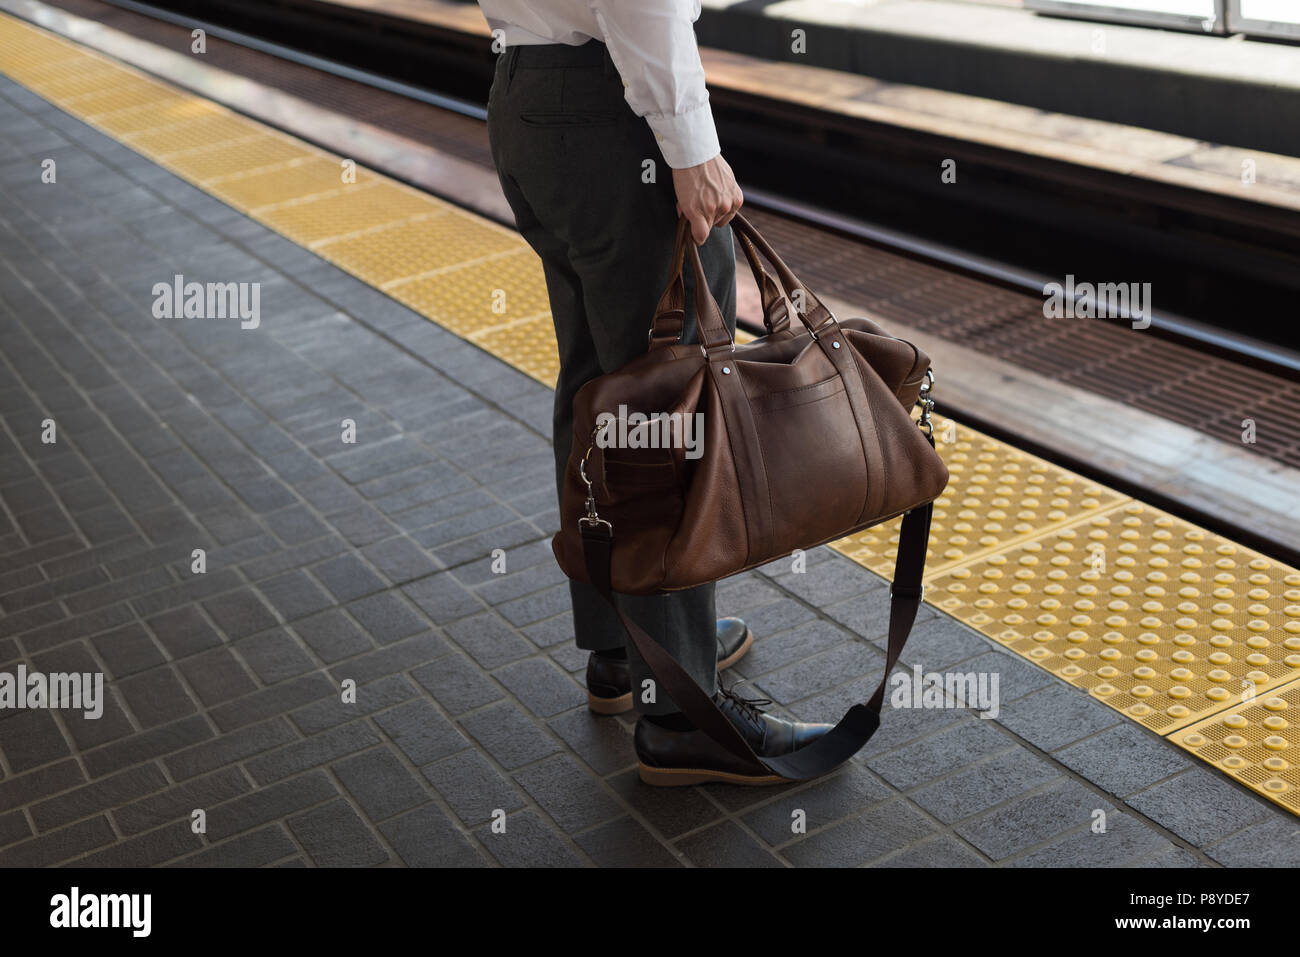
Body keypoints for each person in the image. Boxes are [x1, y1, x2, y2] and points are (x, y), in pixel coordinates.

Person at [479, 0, 831, 785]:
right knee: (667, 410)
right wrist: (690, 144)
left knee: (600, 390)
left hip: (530, 90)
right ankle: (680, 709)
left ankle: (623, 644)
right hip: (611, 113)